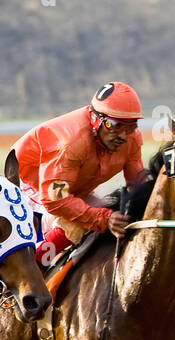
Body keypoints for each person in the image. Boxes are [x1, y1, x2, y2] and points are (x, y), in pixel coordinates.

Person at [12, 82, 147, 267]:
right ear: (96, 119)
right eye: (114, 125)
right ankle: (30, 271)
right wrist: (104, 218)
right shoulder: (72, 144)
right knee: (78, 224)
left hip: (70, 188)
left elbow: (138, 185)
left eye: (130, 126)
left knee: (117, 216)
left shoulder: (132, 139)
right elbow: (55, 200)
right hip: (31, 186)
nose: (123, 136)